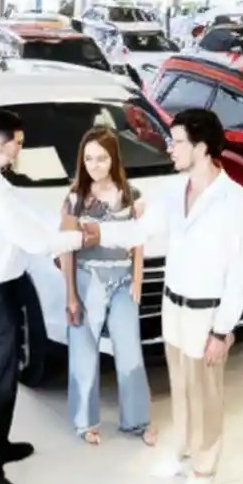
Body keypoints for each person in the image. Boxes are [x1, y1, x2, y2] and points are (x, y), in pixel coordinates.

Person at [87, 108, 243, 484]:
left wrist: (223, 330)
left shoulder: (234, 200)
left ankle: (204, 470)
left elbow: (240, 271)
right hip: (174, 306)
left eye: (177, 140)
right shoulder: (176, 191)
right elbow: (141, 232)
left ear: (201, 147)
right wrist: (98, 232)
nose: (170, 147)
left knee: (207, 396)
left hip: (207, 314)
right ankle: (182, 448)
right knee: (180, 387)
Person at [0, 109, 96, 484]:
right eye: (16, 141)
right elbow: (32, 238)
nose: (21, 148)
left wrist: (61, 228)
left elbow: (27, 219)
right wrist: (78, 238)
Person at [59, 127, 155, 447]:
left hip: (124, 280)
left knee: (130, 352)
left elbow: (138, 241)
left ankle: (137, 420)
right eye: (88, 159)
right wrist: (71, 294)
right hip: (88, 279)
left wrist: (138, 280)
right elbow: (66, 249)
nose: (95, 165)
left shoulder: (132, 195)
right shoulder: (74, 199)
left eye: (101, 158)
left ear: (114, 158)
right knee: (84, 352)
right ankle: (85, 421)